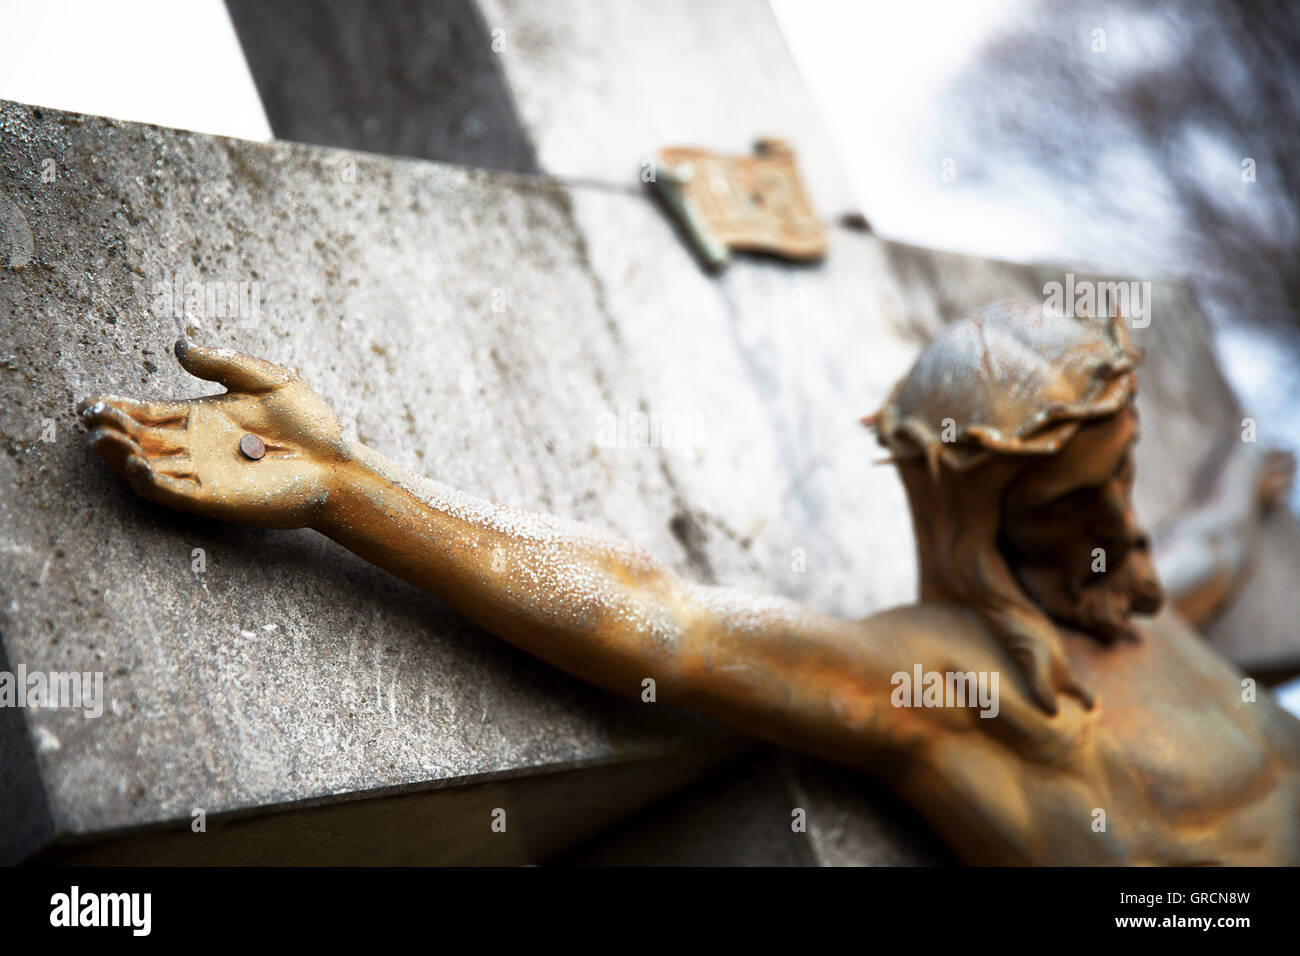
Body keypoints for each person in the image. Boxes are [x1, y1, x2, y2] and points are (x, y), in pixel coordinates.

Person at [79, 301, 1300, 864]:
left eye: (1118, 480)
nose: (1111, 535)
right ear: (970, 515)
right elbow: (656, 621)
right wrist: (348, 485)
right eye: (1065, 507)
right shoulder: (952, 684)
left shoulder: (1146, 601)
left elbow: (1211, 546)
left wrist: (1248, 496)